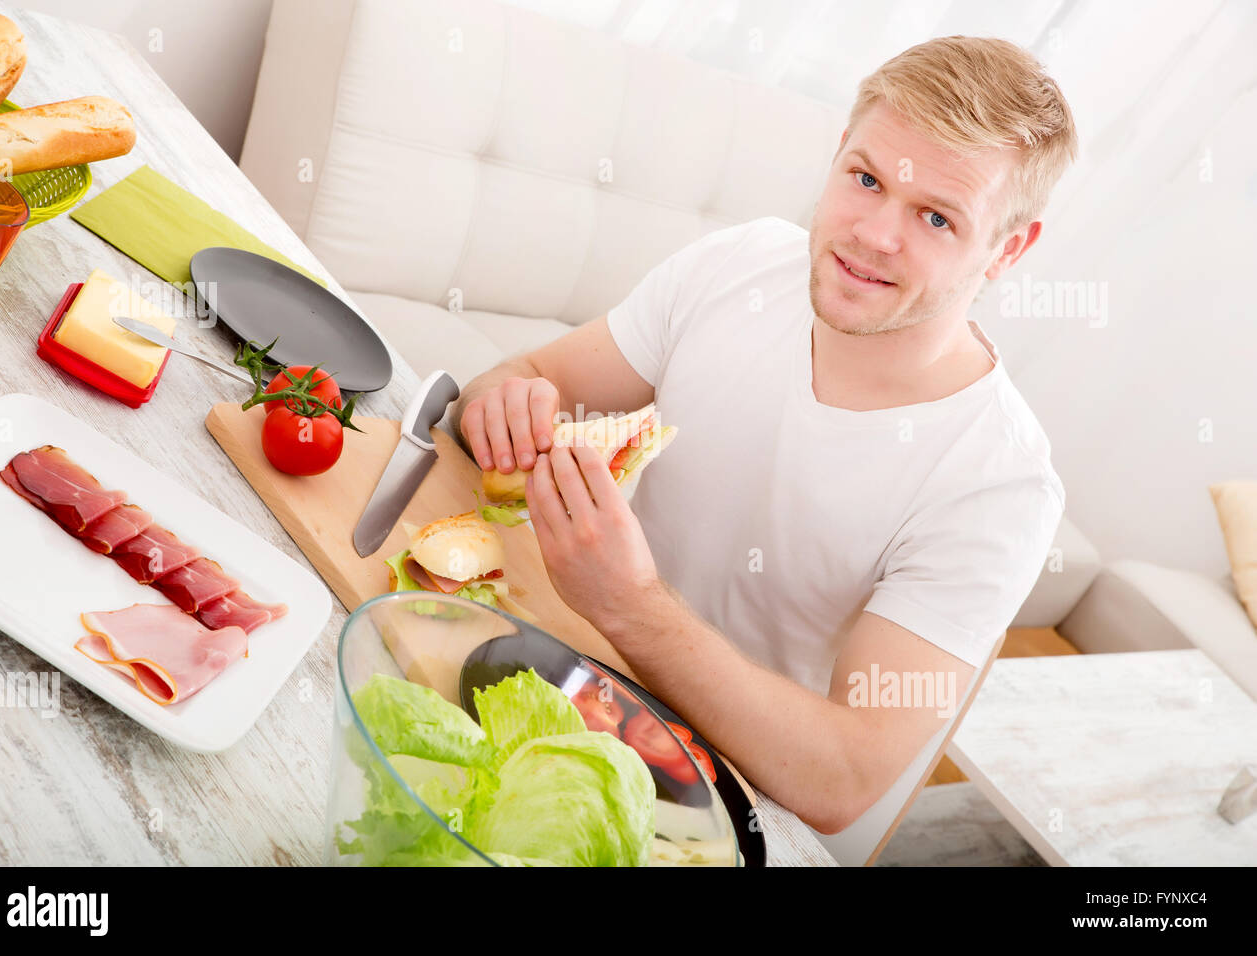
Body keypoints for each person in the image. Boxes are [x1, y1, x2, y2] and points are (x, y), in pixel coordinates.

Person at [450, 35, 1078, 840]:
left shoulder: (1001, 487)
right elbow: (523, 374)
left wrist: (632, 609)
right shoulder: (739, 264)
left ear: (1009, 249)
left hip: (713, 804)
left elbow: (844, 776)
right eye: (865, 178)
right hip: (554, 667)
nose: (874, 235)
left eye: (934, 216)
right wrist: (501, 405)